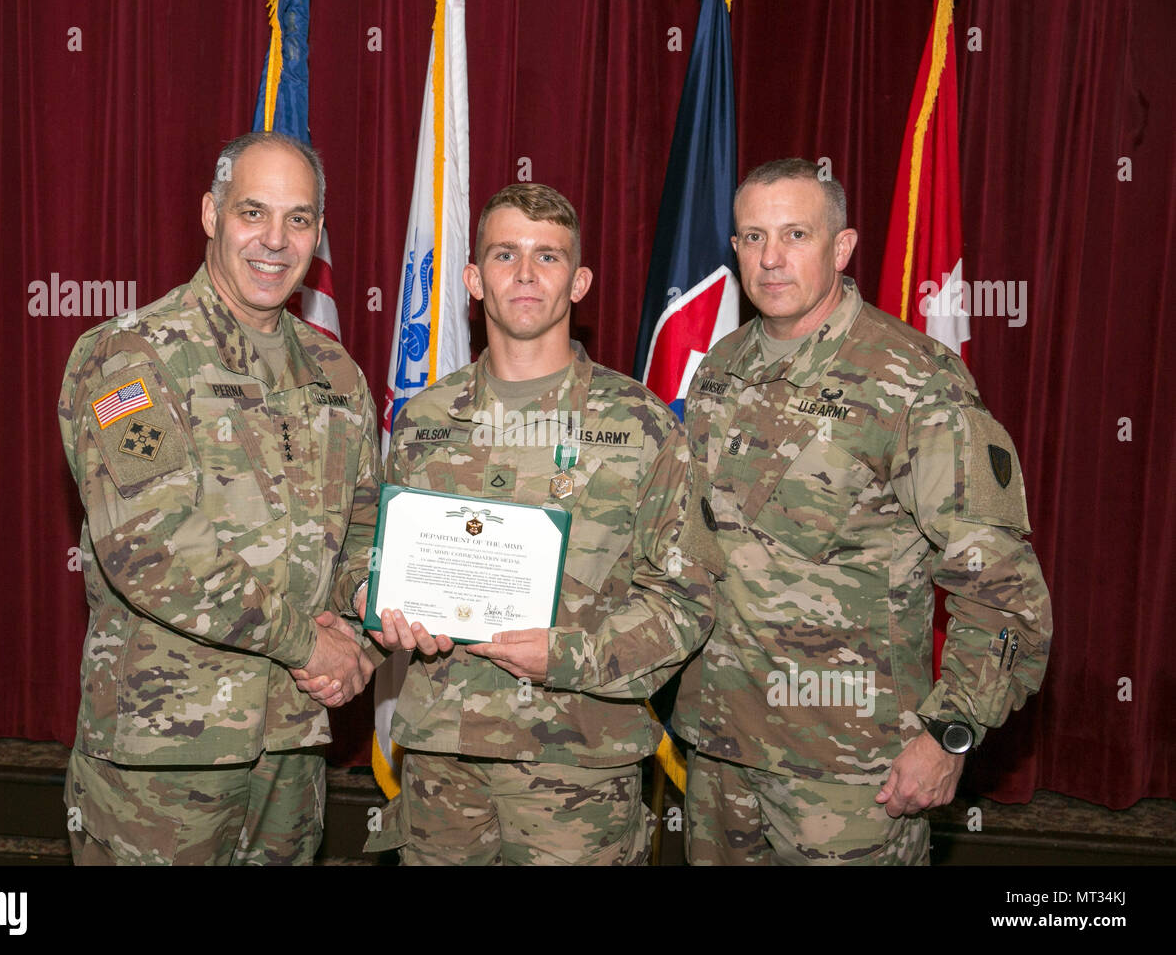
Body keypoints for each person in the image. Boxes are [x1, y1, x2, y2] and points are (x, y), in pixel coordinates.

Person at [674, 158, 1053, 865]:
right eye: (753, 237)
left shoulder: (913, 380)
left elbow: (1004, 588)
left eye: (796, 234)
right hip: (719, 746)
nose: (771, 257)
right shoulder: (721, 366)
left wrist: (949, 734)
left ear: (842, 247)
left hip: (849, 770)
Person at [361, 183, 720, 865]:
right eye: (505, 254)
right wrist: (381, 612)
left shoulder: (641, 425)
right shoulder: (423, 421)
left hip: (577, 766)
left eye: (548, 256)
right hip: (441, 760)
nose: (525, 273)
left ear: (579, 282)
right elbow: (379, 561)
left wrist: (567, 656)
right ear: (474, 280)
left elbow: (687, 600)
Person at [58, 131, 381, 865]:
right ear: (211, 214)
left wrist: (364, 632)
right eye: (252, 212)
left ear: (318, 233)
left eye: (299, 219)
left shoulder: (335, 371)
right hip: (166, 754)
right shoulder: (132, 357)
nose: (275, 240)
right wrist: (312, 644)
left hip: (293, 744)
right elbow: (154, 550)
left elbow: (362, 533)